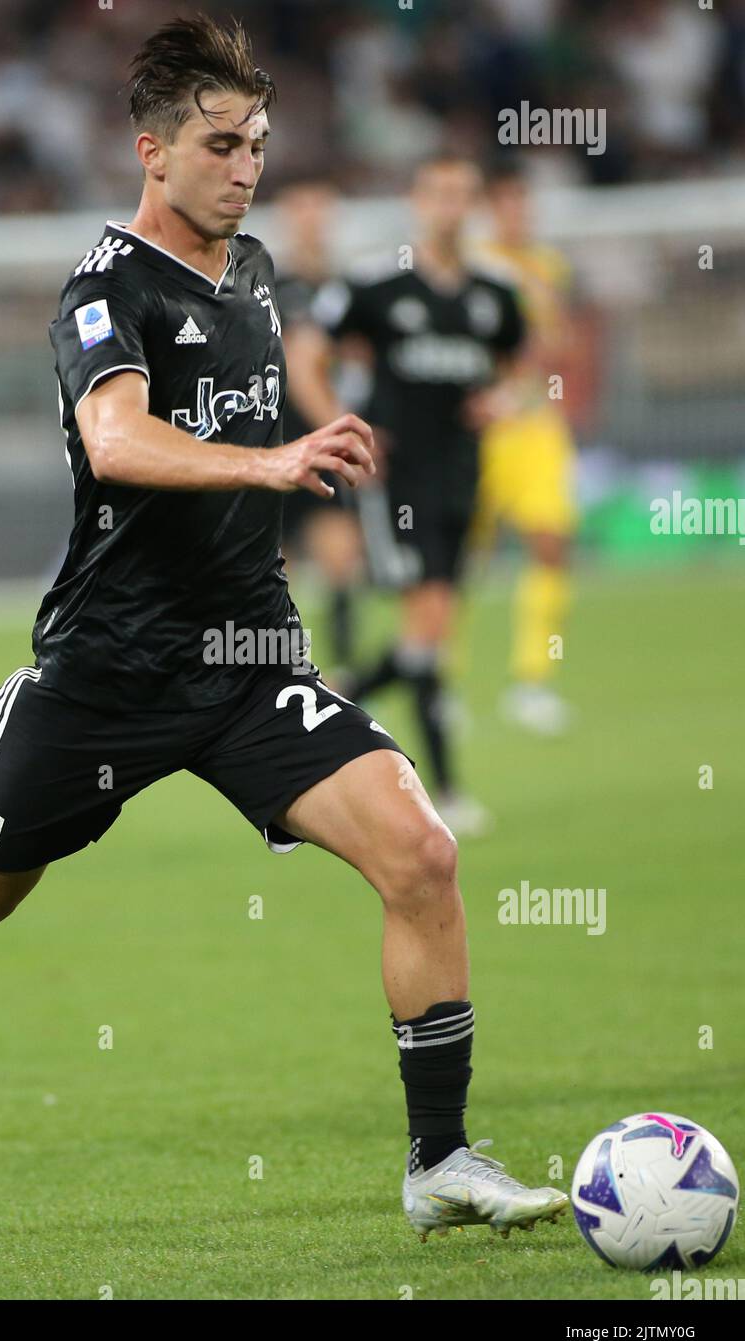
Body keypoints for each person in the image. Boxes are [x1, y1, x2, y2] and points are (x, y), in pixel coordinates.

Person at [0, 17, 567, 1241]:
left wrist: (322, 456)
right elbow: (114, 440)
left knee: (423, 854)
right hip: (106, 672)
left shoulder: (257, 272)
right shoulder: (105, 289)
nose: (244, 166)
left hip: (250, 659)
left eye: (257, 142)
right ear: (153, 151)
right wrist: (267, 466)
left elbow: (287, 396)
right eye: (220, 144)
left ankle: (441, 1160)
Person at [288, 155, 527, 837]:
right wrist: (337, 426)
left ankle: (332, 699)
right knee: (427, 627)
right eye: (437, 194)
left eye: (461, 194)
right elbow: (304, 352)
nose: (449, 206)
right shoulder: (375, 284)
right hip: (394, 484)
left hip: (461, 479)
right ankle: (444, 792)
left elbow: (517, 365)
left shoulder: (493, 292)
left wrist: (502, 398)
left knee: (430, 634)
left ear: (473, 204)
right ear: (416, 201)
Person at [472, 164, 579, 735]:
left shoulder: (548, 268)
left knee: (551, 543)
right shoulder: (472, 266)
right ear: (491, 208)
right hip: (481, 431)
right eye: (508, 203)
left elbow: (558, 345)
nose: (519, 214)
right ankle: (438, 683)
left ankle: (533, 681)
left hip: (535, 426)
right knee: (459, 561)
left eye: (525, 204)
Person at [274, 178, 364, 687]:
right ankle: (270, 671)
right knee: (270, 568)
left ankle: (345, 676)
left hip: (328, 446)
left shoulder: (347, 287)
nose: (312, 216)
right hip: (277, 443)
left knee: (342, 561)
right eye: (301, 205)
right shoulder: (273, 284)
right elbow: (299, 362)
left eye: (320, 206)